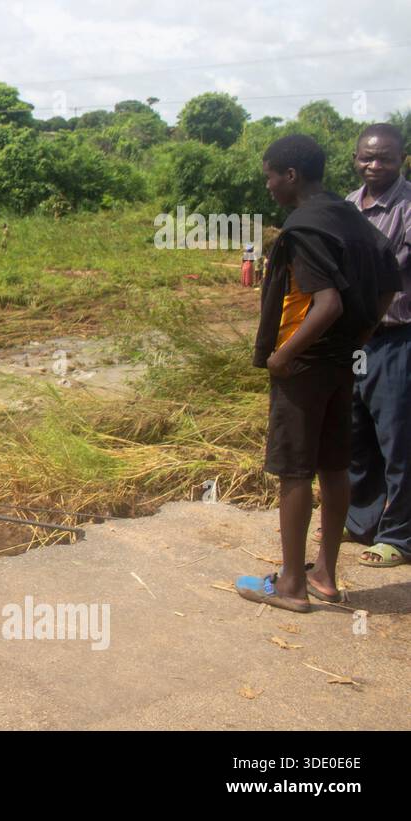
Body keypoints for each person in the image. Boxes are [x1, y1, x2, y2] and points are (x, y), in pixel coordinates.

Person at [236, 134, 400, 612]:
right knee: (333, 467)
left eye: (269, 175)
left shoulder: (304, 226)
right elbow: (391, 280)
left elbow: (325, 303)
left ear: (291, 175)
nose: (267, 185)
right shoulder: (350, 217)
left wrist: (284, 355)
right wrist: (365, 331)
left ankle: (290, 584)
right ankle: (324, 574)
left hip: (305, 366)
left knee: (293, 472)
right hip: (341, 363)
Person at [343, 123, 411, 570]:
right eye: (367, 157)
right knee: (355, 434)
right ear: (355, 159)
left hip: (396, 337)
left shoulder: (407, 207)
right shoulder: (349, 205)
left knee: (399, 441)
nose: (375, 165)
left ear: (401, 158)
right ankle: (362, 520)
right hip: (354, 341)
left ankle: (399, 537)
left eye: (385, 157)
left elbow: (392, 269)